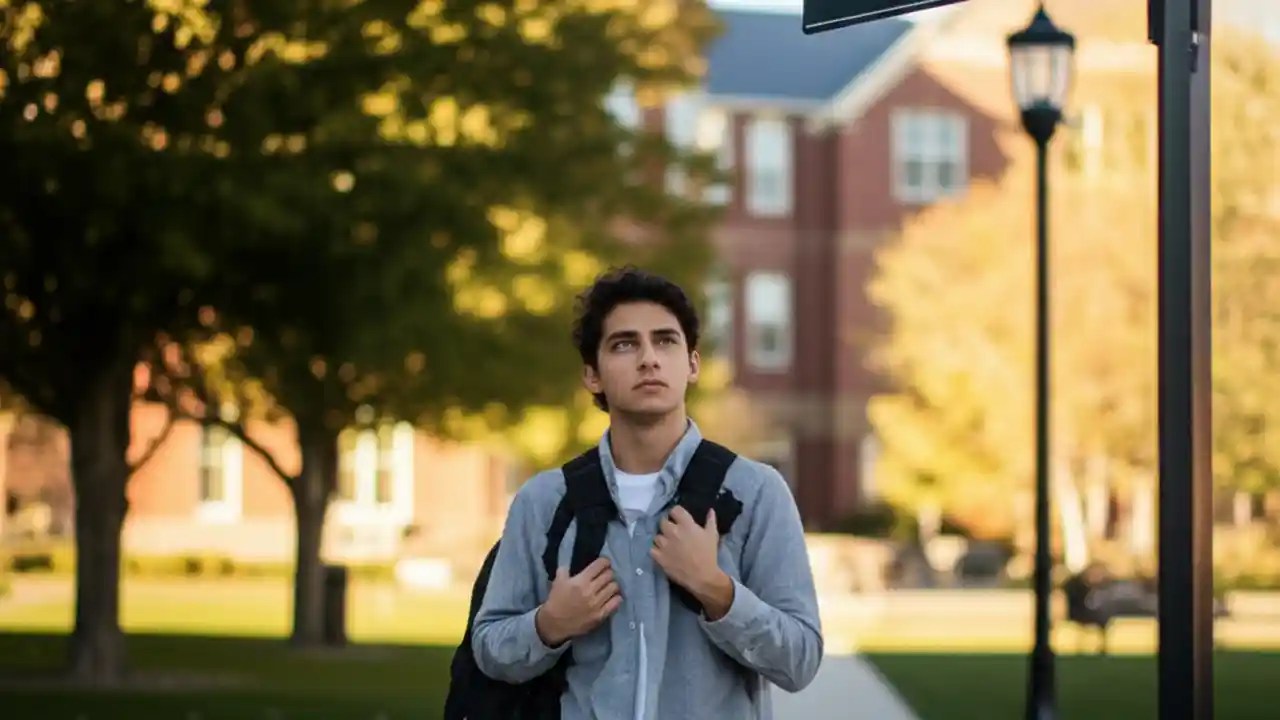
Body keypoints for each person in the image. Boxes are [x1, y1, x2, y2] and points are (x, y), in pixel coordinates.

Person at [471, 266, 823, 719]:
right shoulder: (544, 501)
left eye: (665, 341)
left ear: (692, 364)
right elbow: (489, 649)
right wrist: (550, 624)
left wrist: (716, 590)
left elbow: (800, 660)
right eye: (624, 344)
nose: (648, 359)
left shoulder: (755, 493)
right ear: (592, 375)